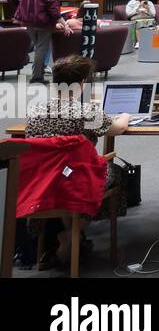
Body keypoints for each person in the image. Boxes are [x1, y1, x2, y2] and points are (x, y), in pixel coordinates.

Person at [19, 54, 132, 268]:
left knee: (67, 177)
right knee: (114, 172)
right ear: (82, 84)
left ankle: (70, 234)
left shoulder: (35, 112)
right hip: (77, 178)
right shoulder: (86, 111)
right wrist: (125, 115)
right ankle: (72, 233)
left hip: (44, 178)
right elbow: (117, 129)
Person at [7, 0, 70, 83]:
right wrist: (64, 24)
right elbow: (54, 11)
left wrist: (21, 9)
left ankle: (38, 74)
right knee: (41, 49)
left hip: (28, 23)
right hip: (44, 25)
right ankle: (37, 77)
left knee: (38, 48)